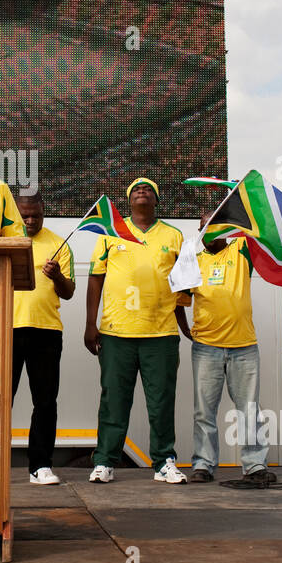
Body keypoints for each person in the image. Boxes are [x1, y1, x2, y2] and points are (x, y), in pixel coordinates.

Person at [85, 177, 188, 484]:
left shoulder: (174, 235)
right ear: (129, 201)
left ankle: (164, 461)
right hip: (117, 333)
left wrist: (185, 328)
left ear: (156, 200)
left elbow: (181, 288)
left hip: (161, 333)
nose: (142, 191)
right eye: (136, 189)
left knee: (161, 402)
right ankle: (104, 461)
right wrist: (91, 323)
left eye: (148, 189)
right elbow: (95, 278)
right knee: (114, 401)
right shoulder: (110, 232)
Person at [175, 226, 275, 486]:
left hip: (244, 347)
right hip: (206, 348)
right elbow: (179, 301)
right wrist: (187, 330)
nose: (209, 232)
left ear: (227, 229)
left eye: (216, 226)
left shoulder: (241, 250)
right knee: (204, 412)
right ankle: (203, 464)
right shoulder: (194, 262)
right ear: (199, 233)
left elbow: (257, 230)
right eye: (204, 228)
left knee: (249, 410)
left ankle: (254, 465)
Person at [12, 191, 75, 485]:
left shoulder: (57, 243)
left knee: (46, 400)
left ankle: (41, 465)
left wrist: (58, 276)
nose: (30, 220)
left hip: (46, 331)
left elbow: (68, 291)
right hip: (7, 328)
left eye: (36, 215)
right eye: (24, 215)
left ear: (43, 212)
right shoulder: (4, 237)